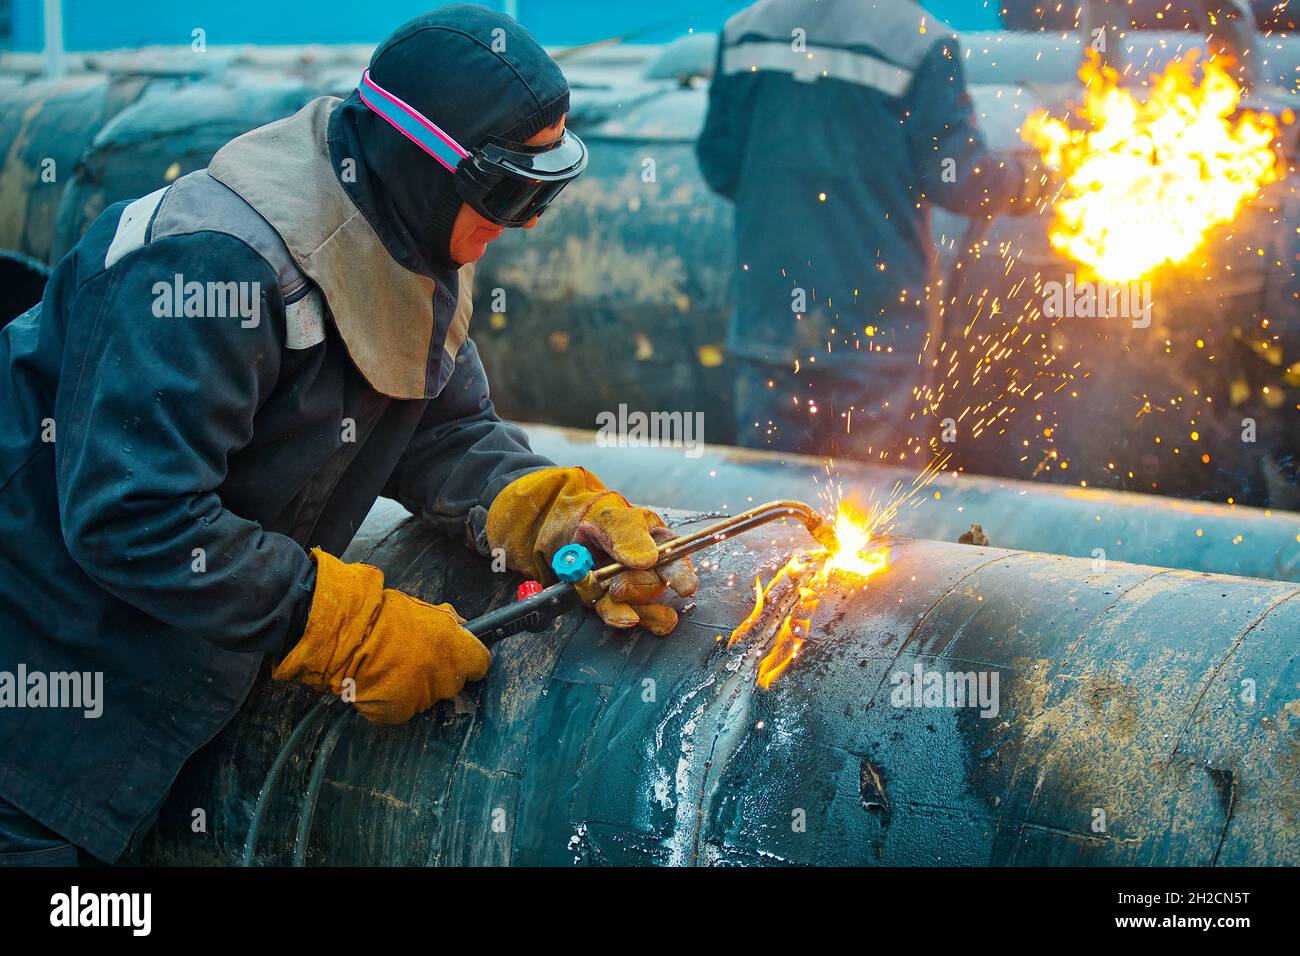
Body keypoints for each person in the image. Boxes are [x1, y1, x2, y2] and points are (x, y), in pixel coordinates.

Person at [0, 5, 695, 866]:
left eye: (548, 190)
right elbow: (134, 516)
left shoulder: (405, 242)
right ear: (426, 165)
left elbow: (435, 430)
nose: (529, 225)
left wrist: (542, 510)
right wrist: (342, 626)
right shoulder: (208, 268)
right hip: (37, 700)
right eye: (513, 193)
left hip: (175, 698)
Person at [697, 0, 1042, 458]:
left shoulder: (745, 31)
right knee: (876, 511)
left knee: (772, 508)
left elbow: (719, 164)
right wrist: (1030, 182)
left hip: (774, 326)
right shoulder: (919, 40)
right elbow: (959, 179)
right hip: (879, 333)